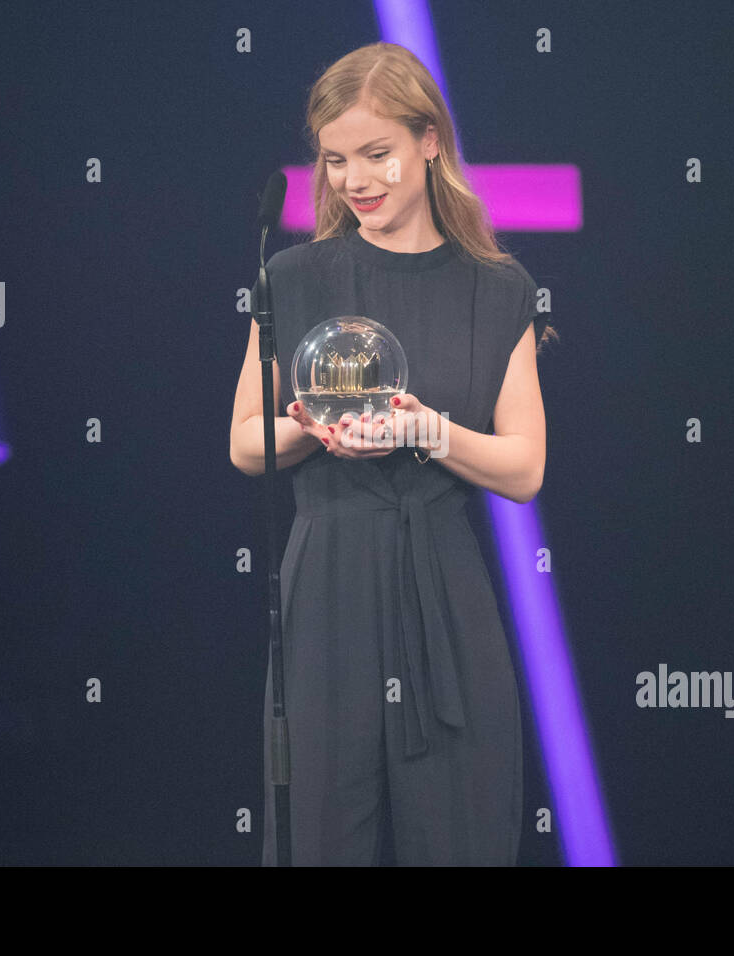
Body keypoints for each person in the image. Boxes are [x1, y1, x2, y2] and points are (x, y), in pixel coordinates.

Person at [229, 41, 555, 865]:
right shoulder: (294, 276)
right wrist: (310, 430)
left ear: (429, 143)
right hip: (327, 584)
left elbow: (524, 467)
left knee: (459, 829)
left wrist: (424, 429)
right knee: (323, 834)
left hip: (445, 592)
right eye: (336, 160)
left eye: (377, 154)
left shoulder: (498, 287)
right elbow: (243, 442)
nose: (355, 181)